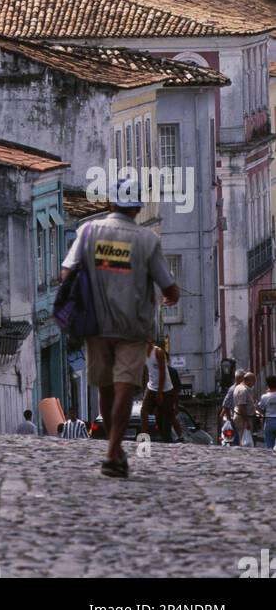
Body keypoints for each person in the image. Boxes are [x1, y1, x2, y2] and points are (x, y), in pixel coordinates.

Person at [60, 189, 180, 478]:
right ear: (137, 208)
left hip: (97, 323)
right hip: (131, 326)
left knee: (106, 387)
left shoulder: (88, 230)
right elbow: (169, 286)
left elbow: (67, 273)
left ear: (111, 203)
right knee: (125, 387)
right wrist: (169, 296)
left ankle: (113, 450)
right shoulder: (147, 240)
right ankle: (114, 450)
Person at [139, 339, 173, 442]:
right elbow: (146, 371)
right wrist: (145, 389)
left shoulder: (158, 352)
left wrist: (160, 393)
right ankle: (144, 439)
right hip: (151, 387)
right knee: (143, 411)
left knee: (163, 418)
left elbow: (162, 373)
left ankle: (167, 441)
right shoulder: (143, 353)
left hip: (165, 389)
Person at [220, 369, 245, 448]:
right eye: (243, 378)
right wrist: (229, 419)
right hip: (235, 417)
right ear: (238, 378)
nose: (245, 380)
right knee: (236, 440)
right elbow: (226, 404)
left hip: (239, 417)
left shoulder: (241, 388)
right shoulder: (233, 389)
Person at [233, 372, 256, 445]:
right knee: (244, 440)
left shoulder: (239, 387)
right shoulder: (243, 390)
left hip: (242, 417)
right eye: (253, 381)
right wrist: (246, 421)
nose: (254, 383)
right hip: (243, 418)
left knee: (244, 439)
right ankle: (244, 455)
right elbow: (241, 406)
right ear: (248, 380)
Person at [256, 375, 276, 451]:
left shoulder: (264, 396)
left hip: (269, 421)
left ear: (268, 385)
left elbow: (260, 409)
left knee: (269, 446)